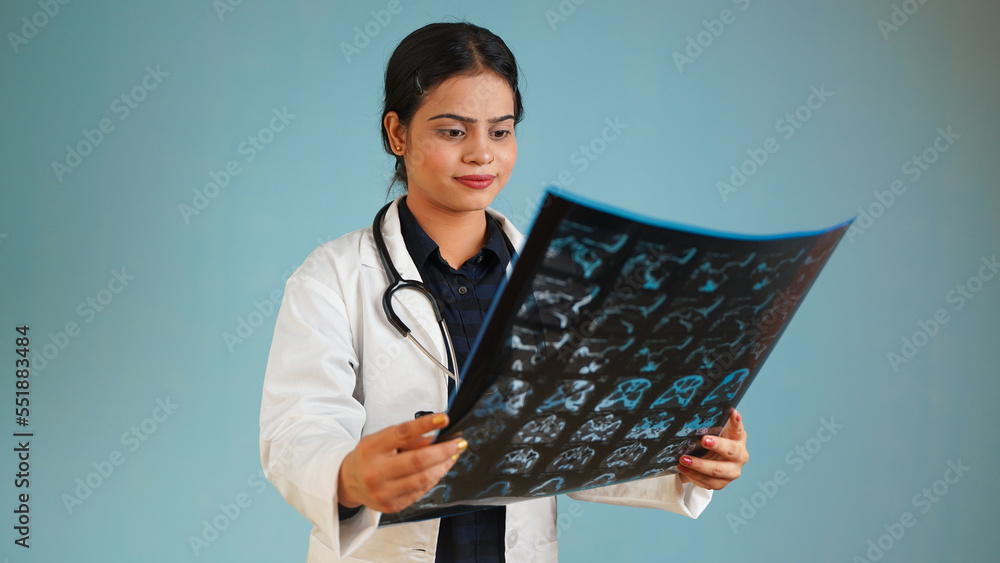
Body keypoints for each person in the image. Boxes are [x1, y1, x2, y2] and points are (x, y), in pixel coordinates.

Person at [260, 21, 749, 562]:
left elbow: (581, 441)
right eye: (453, 132)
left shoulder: (558, 281)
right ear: (398, 134)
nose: (481, 154)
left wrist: (690, 462)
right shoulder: (331, 278)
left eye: (500, 131)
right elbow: (297, 431)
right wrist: (349, 476)